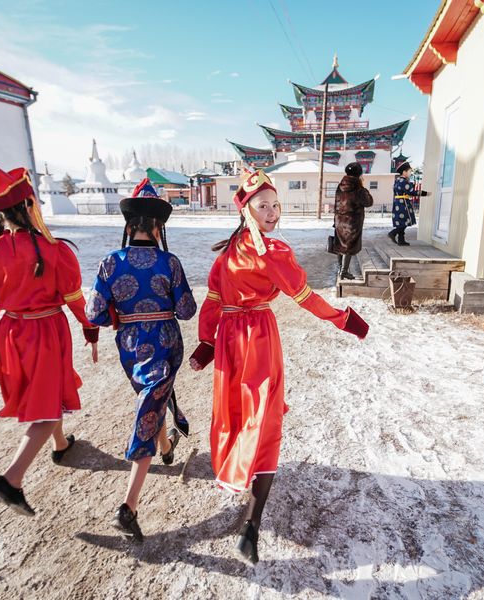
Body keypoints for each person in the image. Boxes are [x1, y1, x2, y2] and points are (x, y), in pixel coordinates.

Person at [188, 169, 369, 565]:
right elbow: (304, 297)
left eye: (274, 205)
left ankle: (247, 511)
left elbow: (214, 302)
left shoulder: (230, 253)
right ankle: (251, 527)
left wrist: (207, 341)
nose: (272, 212)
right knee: (263, 420)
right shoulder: (270, 253)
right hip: (255, 339)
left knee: (239, 415)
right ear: (246, 210)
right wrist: (343, 319)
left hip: (231, 341)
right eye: (263, 206)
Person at [0, 159, 99, 516]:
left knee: (43, 394)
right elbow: (74, 298)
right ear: (29, 206)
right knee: (44, 406)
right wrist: (89, 326)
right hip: (46, 332)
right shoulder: (55, 250)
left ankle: (60, 444)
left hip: (10, 334)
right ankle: (10, 480)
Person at [85, 178, 196, 542]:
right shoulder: (170, 262)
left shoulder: (109, 263)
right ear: (158, 227)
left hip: (130, 349)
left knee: (152, 399)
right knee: (148, 412)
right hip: (165, 344)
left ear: (129, 226)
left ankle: (166, 448)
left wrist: (124, 310)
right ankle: (128, 507)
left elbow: (95, 314)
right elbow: (186, 310)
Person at [333, 162, 374, 279]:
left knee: (340, 244)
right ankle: (344, 271)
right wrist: (363, 187)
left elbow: (337, 203)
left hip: (339, 220)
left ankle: (340, 268)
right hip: (352, 222)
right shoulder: (358, 188)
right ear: (359, 174)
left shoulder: (340, 185)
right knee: (348, 246)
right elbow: (368, 202)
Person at [389, 161, 428, 246]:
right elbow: (412, 192)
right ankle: (393, 233)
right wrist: (425, 193)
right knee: (405, 221)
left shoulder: (397, 180)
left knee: (401, 221)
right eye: (409, 171)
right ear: (404, 172)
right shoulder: (404, 181)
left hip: (397, 203)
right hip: (403, 204)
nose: (410, 173)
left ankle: (401, 240)